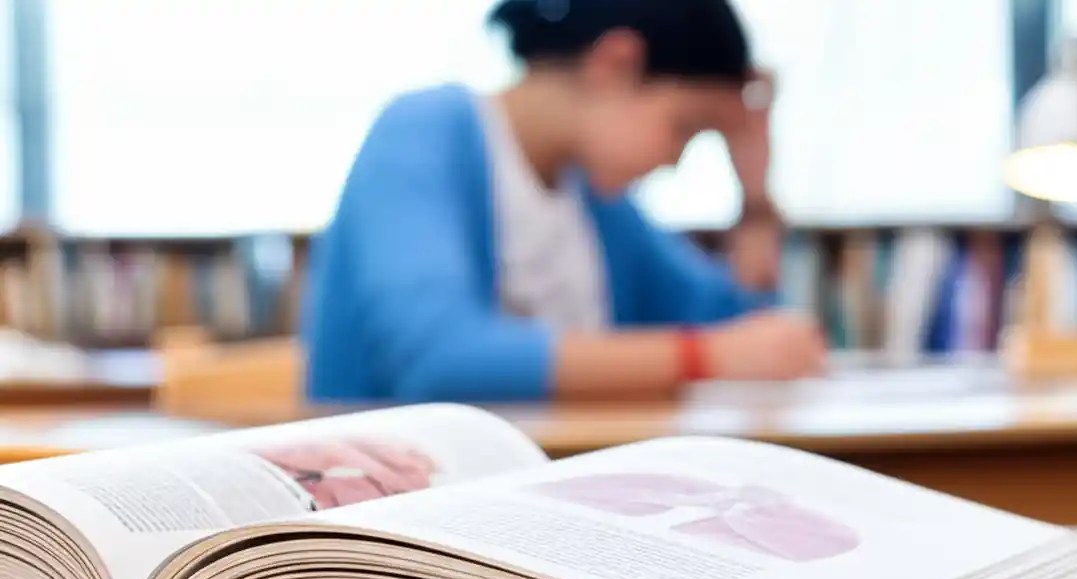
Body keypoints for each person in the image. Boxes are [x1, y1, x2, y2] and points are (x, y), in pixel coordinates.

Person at [306, 0, 825, 403]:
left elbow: (751, 329)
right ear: (617, 64)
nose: (674, 159)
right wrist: (703, 357)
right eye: (684, 128)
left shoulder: (595, 200)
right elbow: (434, 360)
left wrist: (755, 199)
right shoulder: (424, 131)